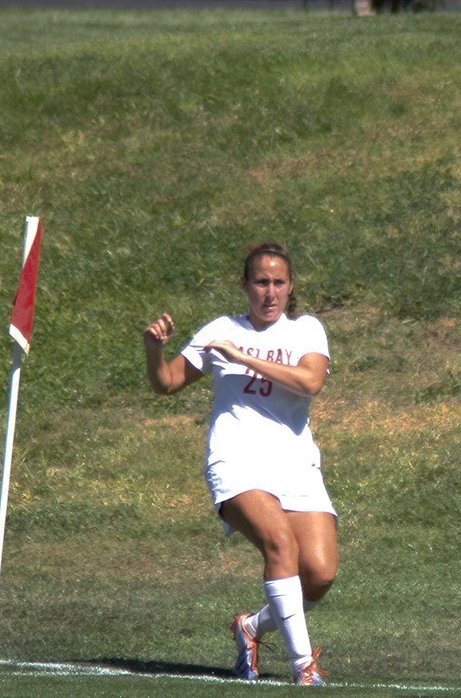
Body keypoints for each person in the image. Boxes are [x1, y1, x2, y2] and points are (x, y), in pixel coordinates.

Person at [142, 242, 336, 686]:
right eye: (261, 282)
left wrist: (244, 357)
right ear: (246, 285)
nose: (270, 293)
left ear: (291, 287)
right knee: (280, 546)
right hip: (236, 461)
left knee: (320, 574)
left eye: (279, 283)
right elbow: (167, 382)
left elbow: (311, 381)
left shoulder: (305, 329)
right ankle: (303, 667)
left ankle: (250, 627)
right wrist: (154, 350)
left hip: (295, 463)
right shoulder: (220, 330)